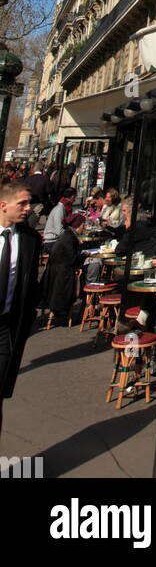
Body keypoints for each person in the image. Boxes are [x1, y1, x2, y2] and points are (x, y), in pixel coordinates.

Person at [0, 182, 42, 437]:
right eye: (22, 204)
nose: (28, 209)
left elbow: (29, 282)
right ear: (3, 205)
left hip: (6, 327)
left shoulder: (29, 239)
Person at [40, 211, 87, 326]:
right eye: (83, 225)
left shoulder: (67, 235)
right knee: (85, 276)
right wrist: (85, 255)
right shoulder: (69, 238)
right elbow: (72, 259)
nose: (84, 227)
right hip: (62, 275)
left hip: (55, 272)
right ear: (77, 226)